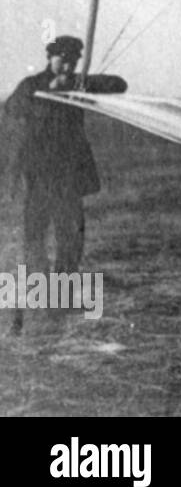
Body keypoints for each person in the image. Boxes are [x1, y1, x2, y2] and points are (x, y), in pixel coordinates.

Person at [1, 35, 127, 336]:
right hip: (40, 176)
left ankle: (62, 297)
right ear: (50, 57)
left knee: (71, 238)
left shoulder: (76, 82)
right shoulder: (31, 85)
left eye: (73, 61)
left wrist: (83, 84)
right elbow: (12, 108)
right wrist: (48, 93)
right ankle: (42, 295)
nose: (67, 65)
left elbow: (119, 83)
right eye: (62, 59)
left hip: (68, 177)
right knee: (36, 238)